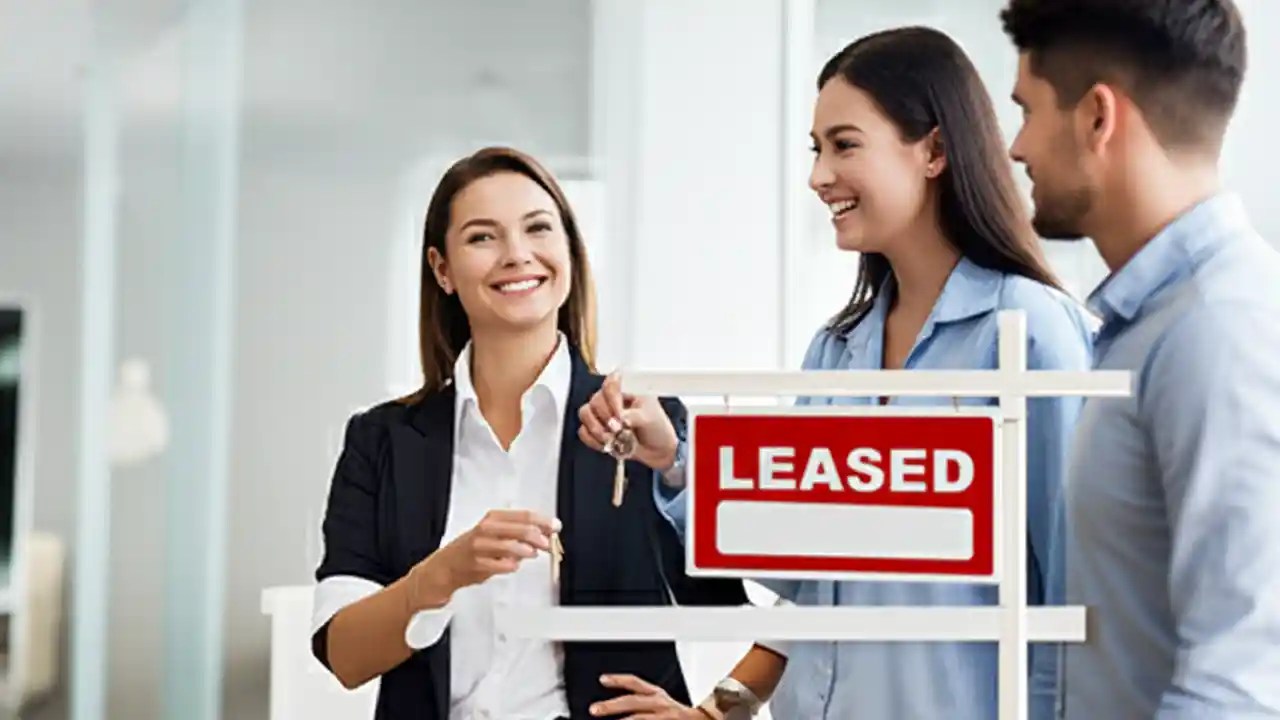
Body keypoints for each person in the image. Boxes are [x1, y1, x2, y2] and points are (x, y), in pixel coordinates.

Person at [578, 26, 1094, 720]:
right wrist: (674, 459)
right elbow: (813, 582)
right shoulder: (836, 348)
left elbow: (1077, 600)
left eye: (845, 145)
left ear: (935, 150)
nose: (819, 175)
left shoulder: (1029, 331)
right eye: (817, 150)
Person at [310, 146, 747, 720]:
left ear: (567, 248)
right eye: (482, 238)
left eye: (538, 228)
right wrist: (442, 574)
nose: (517, 255)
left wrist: (719, 713)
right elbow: (345, 655)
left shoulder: (644, 422)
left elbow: (725, 601)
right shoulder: (382, 440)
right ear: (442, 269)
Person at [1001, 1, 1280, 717]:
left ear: (1099, 117)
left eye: (1027, 111)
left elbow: (1240, 682)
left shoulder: (1218, 329)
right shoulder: (1146, 326)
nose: (1015, 148)